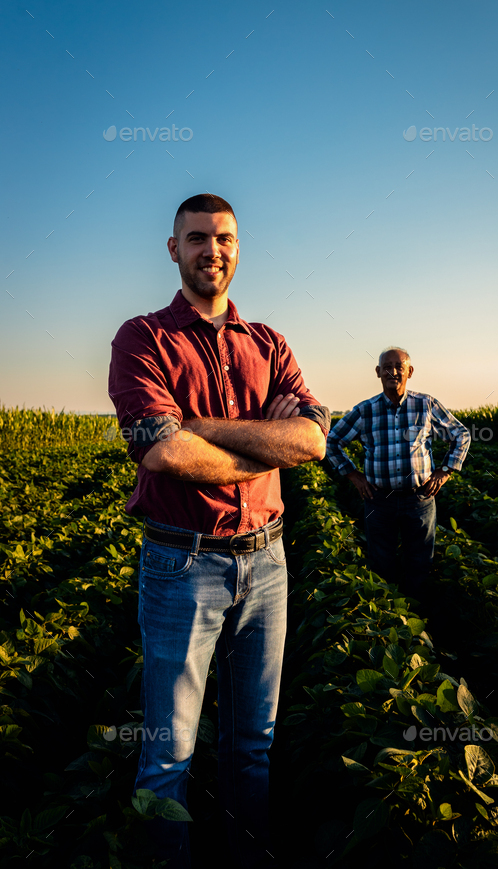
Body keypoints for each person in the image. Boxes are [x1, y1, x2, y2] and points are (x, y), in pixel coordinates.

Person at [108, 193, 329, 869]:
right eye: (198, 237)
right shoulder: (142, 336)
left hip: (268, 566)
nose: (214, 250)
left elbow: (315, 437)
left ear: (238, 248)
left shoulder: (269, 342)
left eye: (225, 238)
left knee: (252, 746)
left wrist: (202, 428)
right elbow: (163, 451)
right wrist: (264, 443)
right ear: (174, 249)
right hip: (183, 568)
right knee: (167, 756)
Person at [325, 346, 470, 600]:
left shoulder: (426, 405)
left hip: (419, 499)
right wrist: (353, 476)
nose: (393, 371)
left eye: (399, 367)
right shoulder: (365, 410)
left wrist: (445, 471)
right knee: (381, 564)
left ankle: (417, 618)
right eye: (387, 367)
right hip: (379, 500)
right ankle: (385, 615)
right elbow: (331, 441)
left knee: (420, 563)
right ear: (378, 372)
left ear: (409, 372)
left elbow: (461, 435)